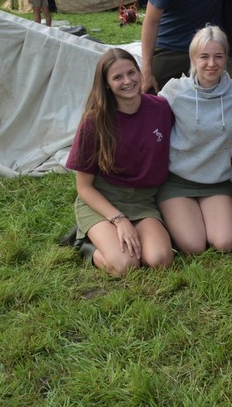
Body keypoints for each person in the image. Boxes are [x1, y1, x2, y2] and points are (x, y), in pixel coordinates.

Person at [65, 49, 174, 276]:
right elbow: (83, 187)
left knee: (159, 259)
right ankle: (86, 245)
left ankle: (117, 236)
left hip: (144, 200)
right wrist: (118, 219)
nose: (128, 81)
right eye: (117, 77)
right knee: (125, 266)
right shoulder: (94, 121)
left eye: (131, 72)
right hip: (104, 200)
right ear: (105, 84)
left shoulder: (161, 108)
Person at [157, 26, 232, 254]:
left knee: (225, 243)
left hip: (216, 182)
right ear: (193, 58)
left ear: (226, 58)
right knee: (193, 246)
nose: (211, 64)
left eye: (218, 56)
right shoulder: (175, 92)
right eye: (204, 56)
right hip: (178, 180)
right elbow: (149, 123)